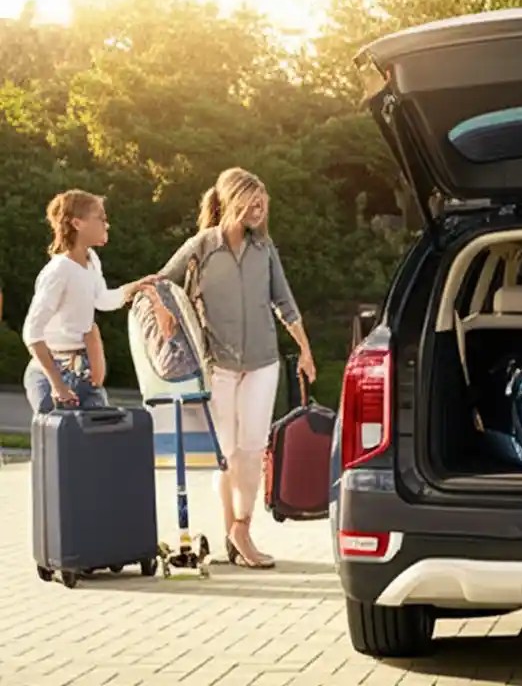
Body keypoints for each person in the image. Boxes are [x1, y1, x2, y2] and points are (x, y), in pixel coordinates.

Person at [157, 167, 315, 570]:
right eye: (253, 202)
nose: (260, 210)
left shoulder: (264, 248)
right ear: (232, 201)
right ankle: (235, 535)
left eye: (264, 204)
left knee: (252, 449)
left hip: (262, 362)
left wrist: (306, 351)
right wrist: (162, 309)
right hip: (218, 366)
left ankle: (242, 529)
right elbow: (160, 283)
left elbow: (286, 302)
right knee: (225, 454)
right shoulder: (201, 246)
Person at [22, 190, 155, 414]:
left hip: (82, 370)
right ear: (77, 223)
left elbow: (102, 300)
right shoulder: (59, 271)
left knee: (97, 440)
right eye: (100, 218)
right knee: (61, 445)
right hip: (51, 374)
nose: (107, 224)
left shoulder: (91, 260)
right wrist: (58, 386)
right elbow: (31, 334)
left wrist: (136, 286)